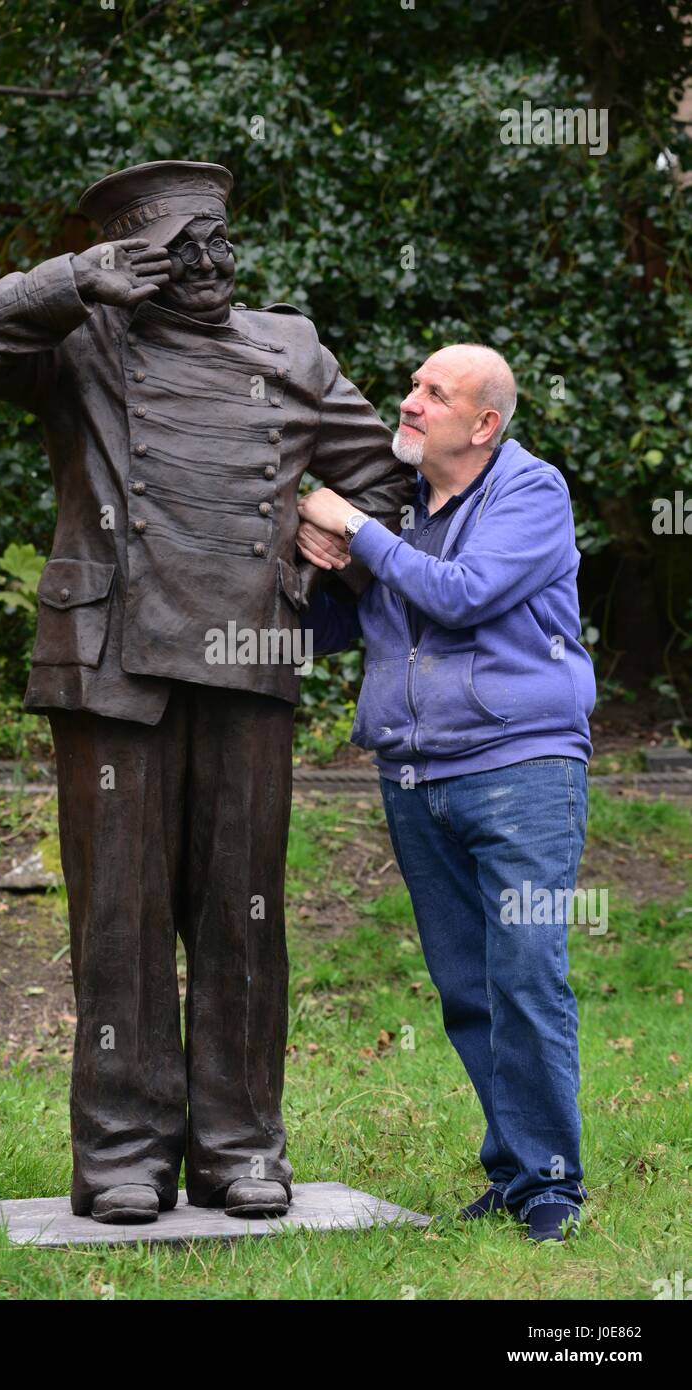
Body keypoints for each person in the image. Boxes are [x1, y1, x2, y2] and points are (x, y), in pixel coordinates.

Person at [0, 160, 415, 1224]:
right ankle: (122, 1153)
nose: (209, 263)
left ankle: (241, 1145)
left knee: (244, 913)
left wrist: (300, 550)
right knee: (120, 917)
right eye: (179, 248)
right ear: (133, 257)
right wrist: (76, 278)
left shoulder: (291, 350)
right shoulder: (83, 342)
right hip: (111, 661)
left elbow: (378, 487)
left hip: (247, 659)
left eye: (221, 243)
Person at [297, 344, 596, 1242]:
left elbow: (463, 596)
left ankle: (552, 1187)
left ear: (483, 424)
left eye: (435, 392)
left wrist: (354, 530)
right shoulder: (403, 510)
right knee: (467, 985)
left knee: (527, 973)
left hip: (521, 772)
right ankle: (511, 1172)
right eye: (414, 385)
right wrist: (323, 561)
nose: (411, 399)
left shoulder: (528, 493)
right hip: (414, 777)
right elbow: (340, 633)